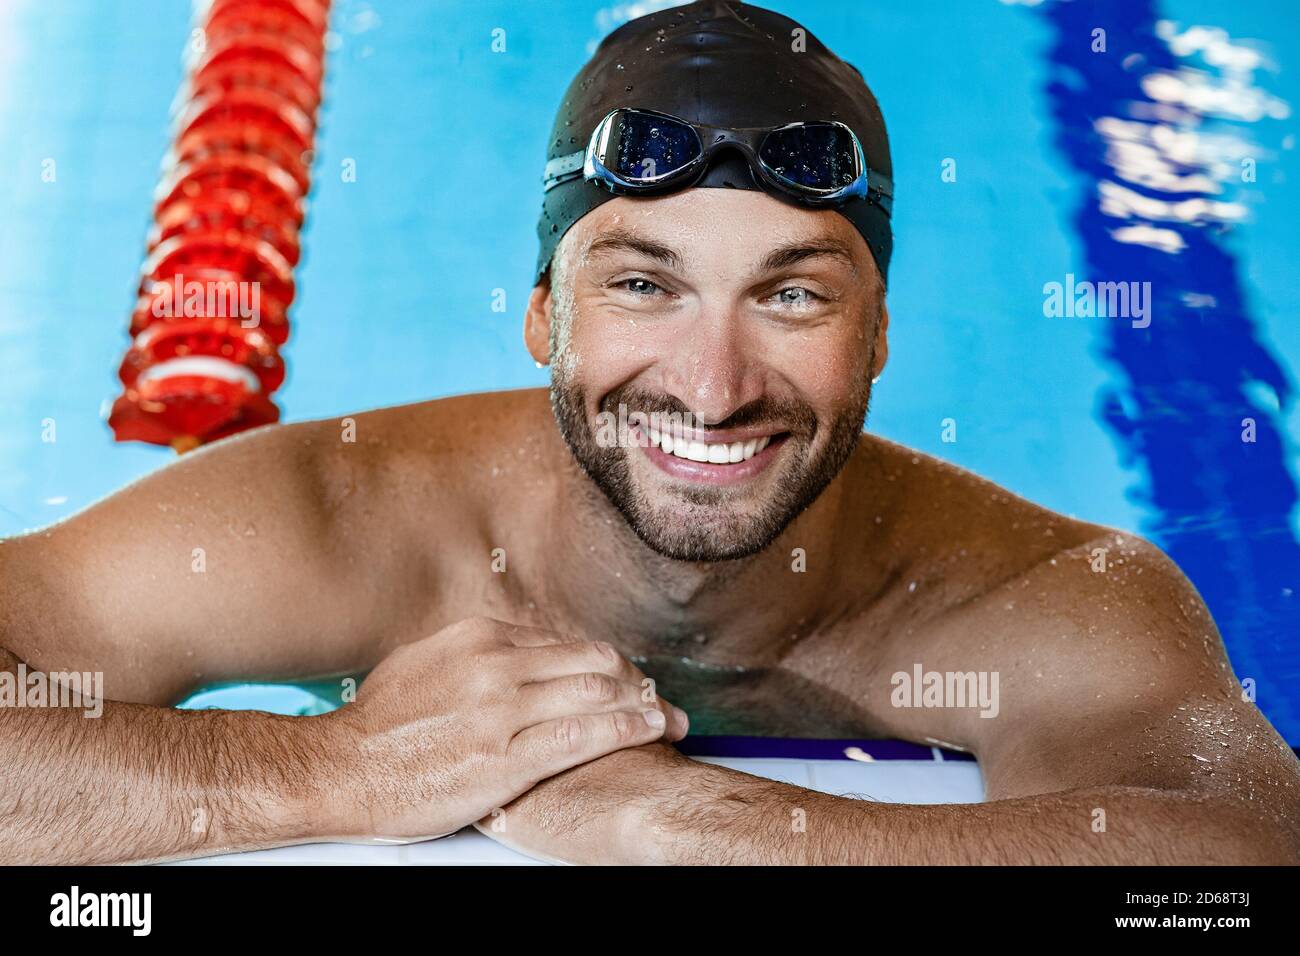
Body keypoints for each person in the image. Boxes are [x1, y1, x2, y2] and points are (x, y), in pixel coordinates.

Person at [2, 0, 1296, 865]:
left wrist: (703, 828)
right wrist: (333, 770)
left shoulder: (1040, 594)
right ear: (540, 322)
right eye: (642, 286)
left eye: (792, 294)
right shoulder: (335, 524)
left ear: (883, 333)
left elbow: (1234, 855)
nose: (714, 385)